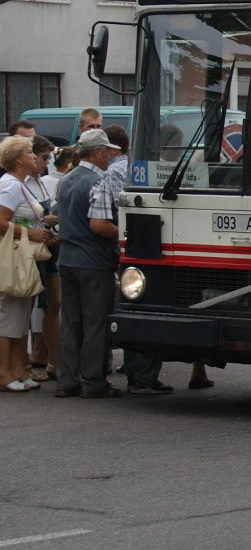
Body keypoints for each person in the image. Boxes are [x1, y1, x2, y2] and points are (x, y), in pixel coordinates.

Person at [92, 125, 173, 395]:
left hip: (136, 245)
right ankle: (142, 375)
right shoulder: (153, 168)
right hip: (151, 242)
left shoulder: (119, 171)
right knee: (152, 305)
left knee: (136, 304)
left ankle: (136, 371)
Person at [54, 128, 124, 398]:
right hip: (93, 261)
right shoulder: (99, 181)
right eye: (107, 150)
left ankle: (66, 380)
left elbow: (58, 215)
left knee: (71, 322)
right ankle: (94, 382)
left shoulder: (66, 179)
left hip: (68, 259)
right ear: (96, 152)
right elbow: (98, 225)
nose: (110, 154)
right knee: (95, 322)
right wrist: (124, 232)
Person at [0, 135, 56, 393]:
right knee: (9, 317)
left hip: (23, 257)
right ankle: (4, 372)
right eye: (30, 152)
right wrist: (30, 234)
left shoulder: (18, 184)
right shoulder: (11, 185)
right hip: (14, 257)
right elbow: (1, 221)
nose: (35, 156)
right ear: (18, 158)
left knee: (19, 316)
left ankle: (17, 369)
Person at [26, 135, 61, 384]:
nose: (46, 163)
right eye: (43, 158)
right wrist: (42, 223)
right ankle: (22, 363)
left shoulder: (40, 182)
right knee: (25, 307)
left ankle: (54, 361)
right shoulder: (18, 183)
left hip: (48, 247)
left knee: (54, 303)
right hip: (31, 248)